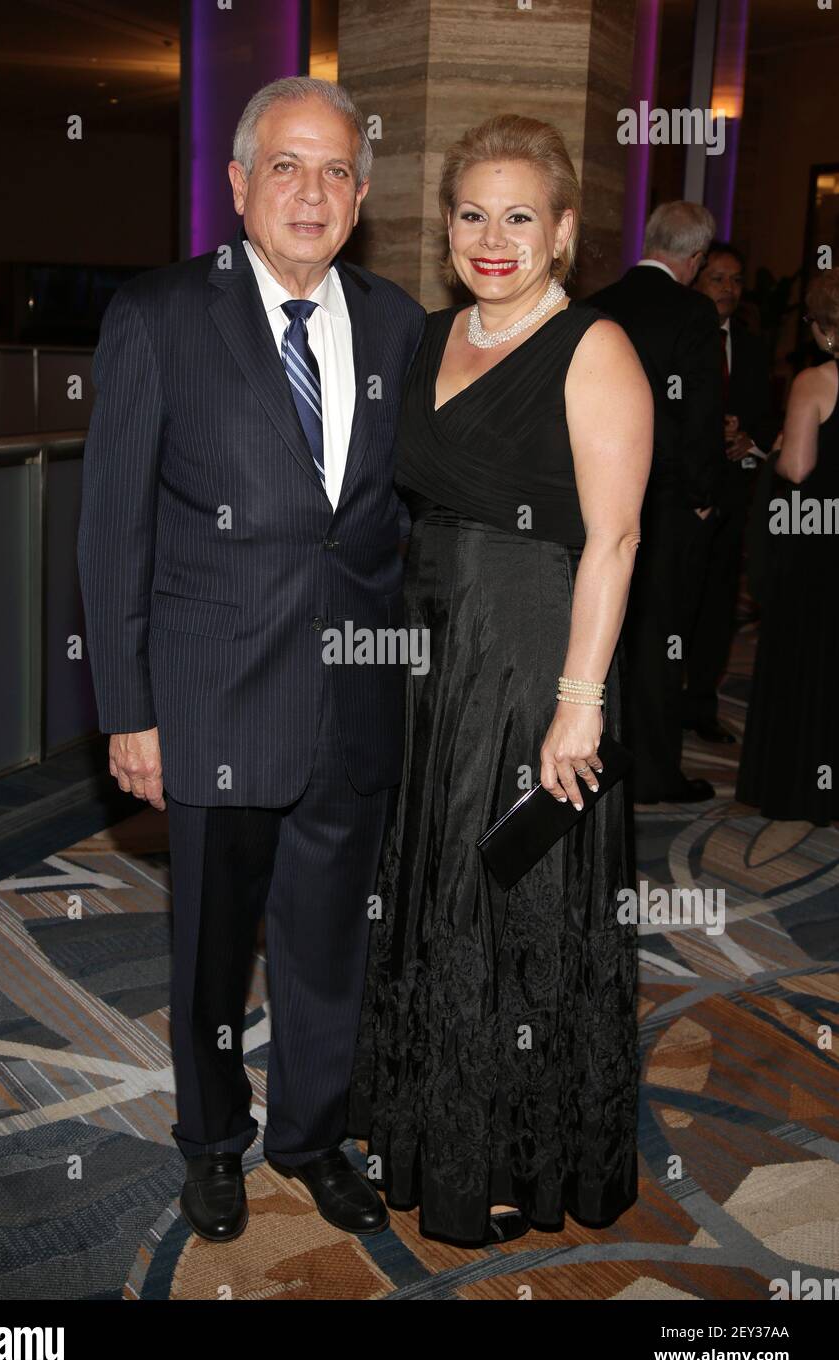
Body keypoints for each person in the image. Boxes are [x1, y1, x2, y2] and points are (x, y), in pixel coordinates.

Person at [77, 77, 425, 1243]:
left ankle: (312, 1135)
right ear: (238, 185)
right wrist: (128, 709)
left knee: (331, 939)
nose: (311, 191)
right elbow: (110, 526)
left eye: (334, 171)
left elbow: (393, 525)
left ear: (362, 196)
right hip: (212, 700)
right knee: (213, 950)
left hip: (350, 700)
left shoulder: (391, 324)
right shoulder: (161, 314)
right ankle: (212, 1142)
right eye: (286, 165)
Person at [348, 114, 653, 1246]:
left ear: (562, 230)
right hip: (429, 657)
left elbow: (615, 540)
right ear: (443, 230)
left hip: (530, 656)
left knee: (510, 896)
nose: (491, 236)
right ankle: (426, 1126)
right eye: (470, 213)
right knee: (427, 880)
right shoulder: (425, 341)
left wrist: (579, 700)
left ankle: (517, 1149)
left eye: (518, 215)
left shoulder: (593, 349)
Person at [587, 202, 723, 804]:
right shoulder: (693, 311)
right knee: (664, 638)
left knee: (604, 635)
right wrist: (703, 495)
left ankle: (601, 764)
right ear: (695, 260)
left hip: (595, 495)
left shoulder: (597, 303)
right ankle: (656, 776)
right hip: (666, 502)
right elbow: (700, 417)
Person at [736, 269, 839, 826]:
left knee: (807, 662)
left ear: (824, 329)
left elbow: (798, 467)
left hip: (818, 546)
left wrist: (775, 449)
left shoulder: (816, 381)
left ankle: (802, 787)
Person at [685, 242, 779, 743]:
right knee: (678, 604)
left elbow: (769, 418)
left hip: (732, 492)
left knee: (720, 604)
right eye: (717, 278)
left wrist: (751, 441)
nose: (728, 289)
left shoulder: (753, 347)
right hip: (681, 498)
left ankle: (700, 704)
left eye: (736, 280)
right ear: (697, 281)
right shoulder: (683, 337)